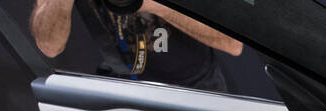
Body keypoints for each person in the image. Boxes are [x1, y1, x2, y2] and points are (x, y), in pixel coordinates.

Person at [30, 0, 242, 92]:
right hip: (127, 90)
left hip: (196, 89)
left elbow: (233, 43)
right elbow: (49, 46)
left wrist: (154, 6)